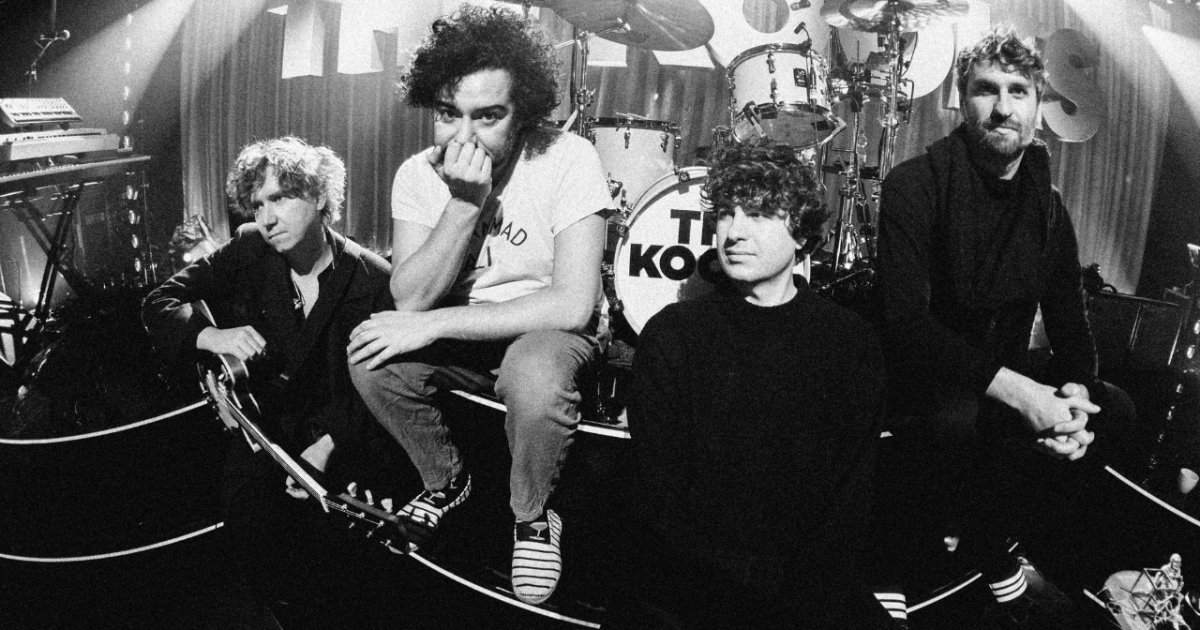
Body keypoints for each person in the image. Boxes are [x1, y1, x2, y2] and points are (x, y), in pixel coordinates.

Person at [346, 5, 612, 606]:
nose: (463, 137)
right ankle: (446, 481)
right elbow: (410, 297)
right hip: (465, 338)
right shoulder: (417, 174)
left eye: (488, 116)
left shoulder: (568, 157)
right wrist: (465, 204)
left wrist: (436, 323)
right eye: (449, 114)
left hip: (544, 329)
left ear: (524, 114)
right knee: (369, 355)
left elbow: (573, 305)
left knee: (533, 374)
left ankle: (533, 515)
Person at [876, 28, 1131, 627]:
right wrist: (1024, 394)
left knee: (1113, 411)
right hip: (925, 377)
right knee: (958, 420)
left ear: (1039, 105)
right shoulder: (914, 184)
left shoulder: (1048, 203)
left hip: (1006, 376)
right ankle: (904, 562)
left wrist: (1077, 394)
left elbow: (1070, 320)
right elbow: (907, 325)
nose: (1002, 106)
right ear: (962, 101)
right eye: (986, 89)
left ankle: (998, 541)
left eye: (1018, 91)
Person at [605, 139, 894, 629]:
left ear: (802, 233)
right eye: (725, 214)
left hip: (804, 596)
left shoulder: (850, 342)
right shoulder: (674, 335)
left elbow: (848, 504)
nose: (734, 232)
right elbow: (658, 498)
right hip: (689, 595)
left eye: (757, 214)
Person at [142, 136, 395, 624]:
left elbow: (378, 387)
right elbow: (159, 303)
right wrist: (211, 337)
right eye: (257, 204)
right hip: (264, 434)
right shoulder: (250, 248)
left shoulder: (373, 279)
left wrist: (328, 445)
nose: (266, 218)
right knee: (247, 527)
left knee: (342, 576)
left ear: (319, 195)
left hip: (340, 438)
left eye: (279, 198)